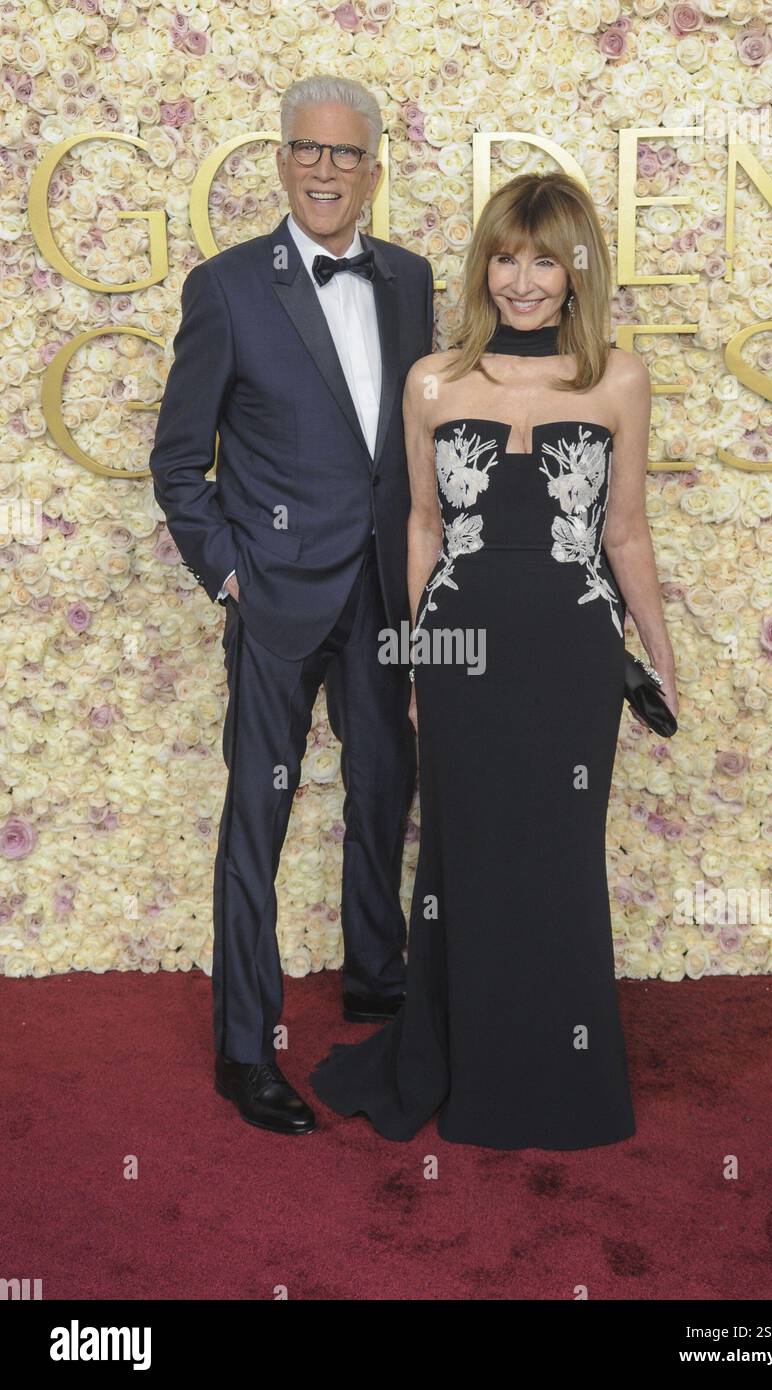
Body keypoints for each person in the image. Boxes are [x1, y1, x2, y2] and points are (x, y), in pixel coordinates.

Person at [310, 171, 679, 1150]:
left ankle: (562, 1083)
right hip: (465, 651)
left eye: (544, 259)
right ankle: (463, 1063)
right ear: (485, 266)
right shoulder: (434, 379)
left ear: (575, 268)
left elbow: (627, 532)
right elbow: (423, 528)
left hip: (572, 648)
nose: (522, 281)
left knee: (558, 864)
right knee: (463, 859)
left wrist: (662, 654)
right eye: (506, 258)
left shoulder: (619, 378)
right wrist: (424, 663)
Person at [149, 76, 434, 1134]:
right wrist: (229, 571)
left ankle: (376, 977)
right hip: (273, 594)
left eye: (346, 155)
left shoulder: (407, 279)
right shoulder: (225, 288)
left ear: (372, 170)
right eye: (308, 152)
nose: (325, 169)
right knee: (256, 819)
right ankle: (243, 1050)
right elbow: (180, 462)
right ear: (281, 160)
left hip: (383, 592)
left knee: (383, 788)